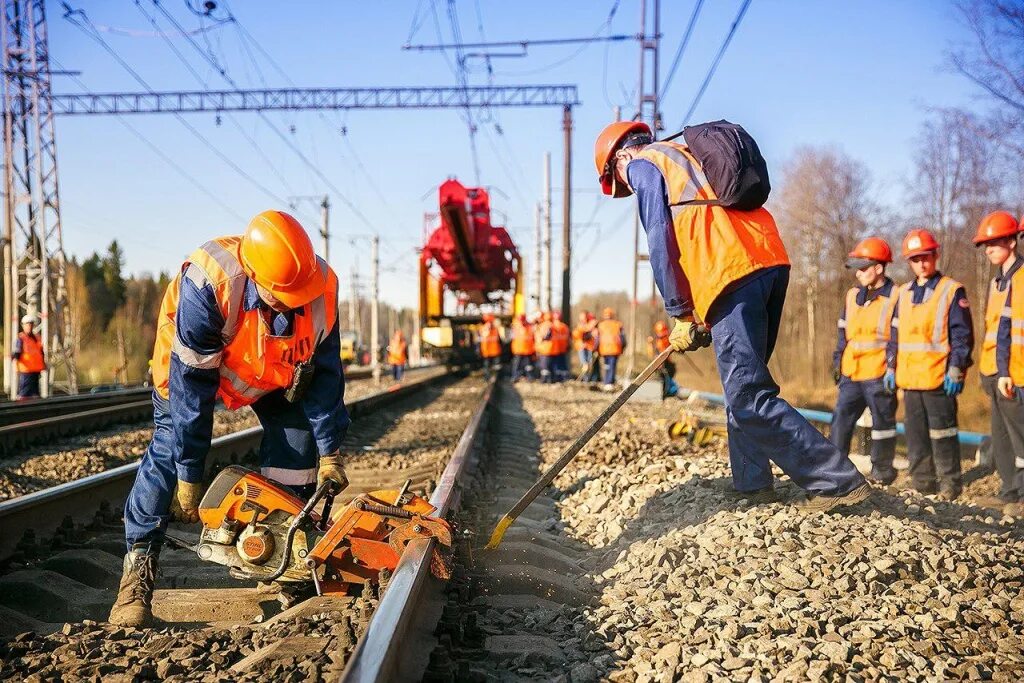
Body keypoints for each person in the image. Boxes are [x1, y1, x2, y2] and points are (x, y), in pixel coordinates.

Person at [595, 120, 869, 510]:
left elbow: (660, 237)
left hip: (731, 272)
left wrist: (680, 311)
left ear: (620, 157)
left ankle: (837, 481)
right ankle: (752, 482)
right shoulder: (688, 155)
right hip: (766, 260)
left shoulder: (644, 164)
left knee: (747, 393)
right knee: (740, 383)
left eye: (619, 180)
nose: (627, 185)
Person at [109, 210, 350, 627]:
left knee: (296, 447)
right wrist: (189, 472)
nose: (293, 302)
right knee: (170, 449)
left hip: (271, 374)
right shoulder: (210, 282)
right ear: (254, 274)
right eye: (281, 294)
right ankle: (137, 573)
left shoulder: (320, 287)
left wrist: (330, 451)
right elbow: (192, 391)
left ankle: (281, 561)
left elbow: (326, 375)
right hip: (188, 372)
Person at [885, 229, 973, 501]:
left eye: (926, 257)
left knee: (943, 433)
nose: (921, 263)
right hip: (910, 379)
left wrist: (957, 367)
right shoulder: (903, 293)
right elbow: (894, 335)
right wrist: (891, 366)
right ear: (909, 262)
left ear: (935, 256)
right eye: (915, 259)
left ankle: (950, 484)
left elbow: (962, 335)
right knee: (915, 436)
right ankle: (922, 483)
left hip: (938, 377)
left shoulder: (951, 290)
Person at [830, 238, 899, 485]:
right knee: (840, 421)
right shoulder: (852, 296)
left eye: (863, 268)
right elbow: (843, 332)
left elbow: (897, 336)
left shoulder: (896, 296)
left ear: (879, 268)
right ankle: (835, 471)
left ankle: (882, 472)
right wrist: (837, 361)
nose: (858, 273)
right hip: (851, 371)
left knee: (882, 425)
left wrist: (892, 366)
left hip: (878, 372)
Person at [972, 212, 1024, 512]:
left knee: (1019, 436)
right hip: (995, 369)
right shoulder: (997, 282)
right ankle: (1009, 491)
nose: (988, 249)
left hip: (1013, 371)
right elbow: (995, 329)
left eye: (994, 243)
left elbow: (1009, 330)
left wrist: (1005, 370)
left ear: (1011, 242)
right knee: (1001, 435)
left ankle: (1021, 494)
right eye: (985, 245)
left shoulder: (1020, 277)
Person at [12, 314, 45, 400]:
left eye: (31, 324)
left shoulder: (37, 338)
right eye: (27, 324)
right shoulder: (21, 339)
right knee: (24, 395)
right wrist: (15, 365)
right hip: (26, 371)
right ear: (23, 326)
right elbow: (16, 354)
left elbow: (41, 353)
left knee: (35, 395)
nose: (29, 326)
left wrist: (44, 364)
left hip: (36, 371)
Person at [594, 307, 625, 391]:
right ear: (612, 315)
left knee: (607, 366)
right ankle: (610, 382)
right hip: (615, 349)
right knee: (612, 366)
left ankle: (607, 382)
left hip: (604, 349)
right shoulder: (618, 324)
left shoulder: (600, 325)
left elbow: (597, 338)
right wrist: (623, 348)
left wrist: (595, 349)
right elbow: (623, 338)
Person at [649, 320, 678, 398]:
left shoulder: (667, 339)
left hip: (667, 362)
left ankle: (667, 393)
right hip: (661, 362)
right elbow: (655, 353)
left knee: (668, 377)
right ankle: (664, 394)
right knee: (664, 378)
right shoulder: (656, 341)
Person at [573, 311, 598, 382]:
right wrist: (590, 330)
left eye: (584, 317)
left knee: (589, 364)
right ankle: (585, 378)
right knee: (584, 364)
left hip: (589, 347)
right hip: (581, 347)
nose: (583, 318)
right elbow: (580, 335)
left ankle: (587, 378)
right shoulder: (579, 326)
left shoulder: (589, 325)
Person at [510, 313, 535, 382]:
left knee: (528, 365)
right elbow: (512, 337)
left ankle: (529, 377)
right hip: (518, 350)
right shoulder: (515, 326)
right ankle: (515, 377)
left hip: (528, 350)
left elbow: (533, 337)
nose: (521, 322)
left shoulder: (530, 326)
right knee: (517, 365)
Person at [534, 311, 556, 384]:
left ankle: (546, 379)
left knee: (545, 366)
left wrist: (541, 338)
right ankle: (548, 379)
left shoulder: (546, 325)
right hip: (543, 348)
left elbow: (547, 335)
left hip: (545, 348)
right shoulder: (542, 325)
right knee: (545, 365)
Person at [478, 313, 502, 378]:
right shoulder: (484, 329)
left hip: (491, 351)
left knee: (492, 366)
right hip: (490, 351)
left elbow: (499, 340)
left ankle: (492, 377)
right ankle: (490, 377)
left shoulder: (483, 329)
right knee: (489, 366)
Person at [550, 311, 571, 382]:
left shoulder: (552, 326)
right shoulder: (564, 326)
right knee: (562, 365)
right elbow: (568, 338)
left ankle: (558, 378)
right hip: (562, 349)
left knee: (557, 365)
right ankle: (564, 378)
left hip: (555, 349)